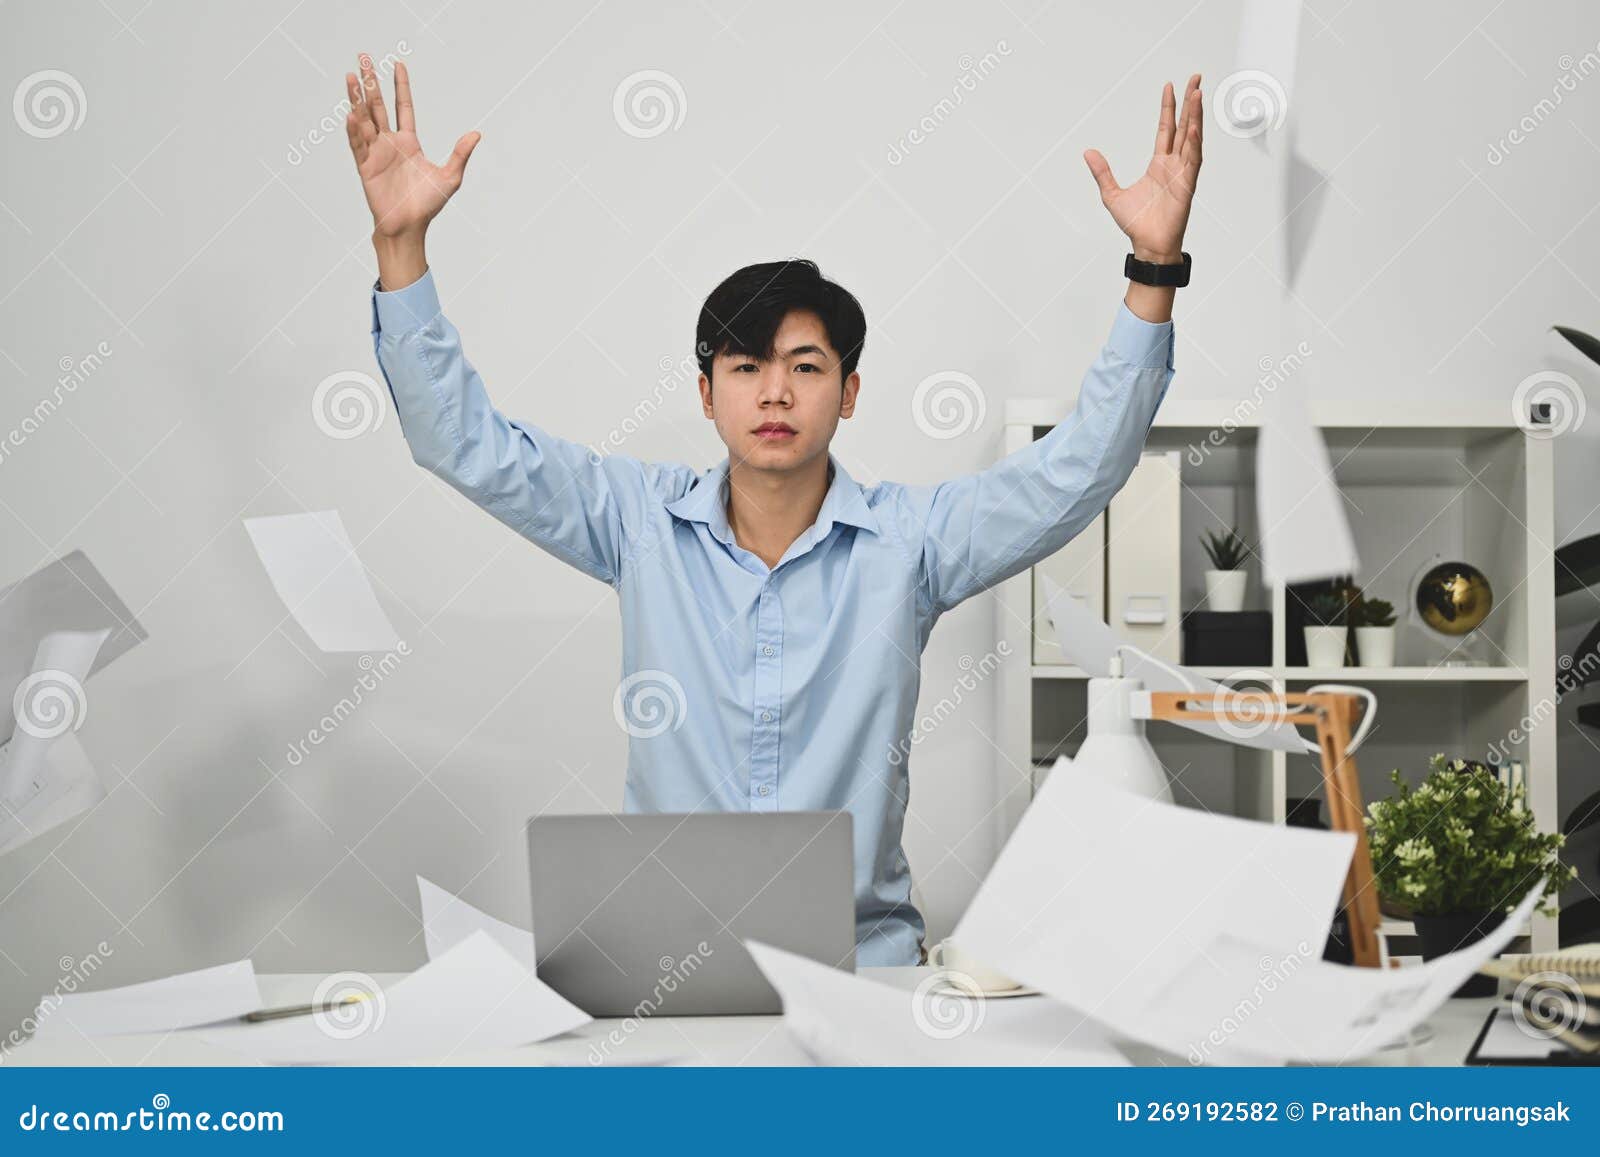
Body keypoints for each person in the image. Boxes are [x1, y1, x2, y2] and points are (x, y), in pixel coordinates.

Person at [345, 54, 1202, 966]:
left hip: (858, 964)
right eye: (747, 366)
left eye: (805, 366)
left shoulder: (909, 545)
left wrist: (1154, 268)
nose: (775, 392)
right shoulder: (638, 523)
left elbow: (1079, 468)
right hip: (663, 967)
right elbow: (464, 442)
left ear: (849, 390)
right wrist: (402, 249)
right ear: (707, 394)